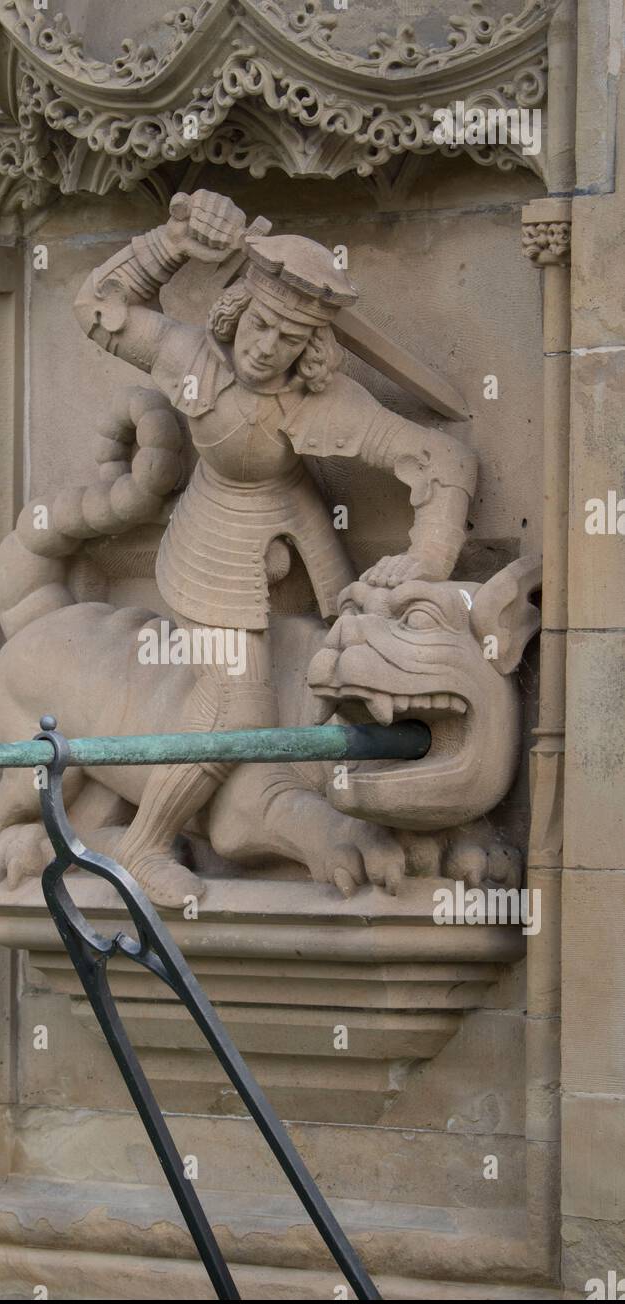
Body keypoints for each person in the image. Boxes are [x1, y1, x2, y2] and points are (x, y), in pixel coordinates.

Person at [70, 189, 477, 906]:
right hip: (213, 546)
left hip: (305, 540)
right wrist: (174, 241)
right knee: (237, 702)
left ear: (310, 348)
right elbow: (99, 307)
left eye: (288, 339)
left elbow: (444, 460)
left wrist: (428, 560)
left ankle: (359, 815)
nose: (265, 347)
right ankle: (146, 844)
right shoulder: (191, 357)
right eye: (260, 325)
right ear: (237, 311)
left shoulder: (325, 402)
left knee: (351, 675)